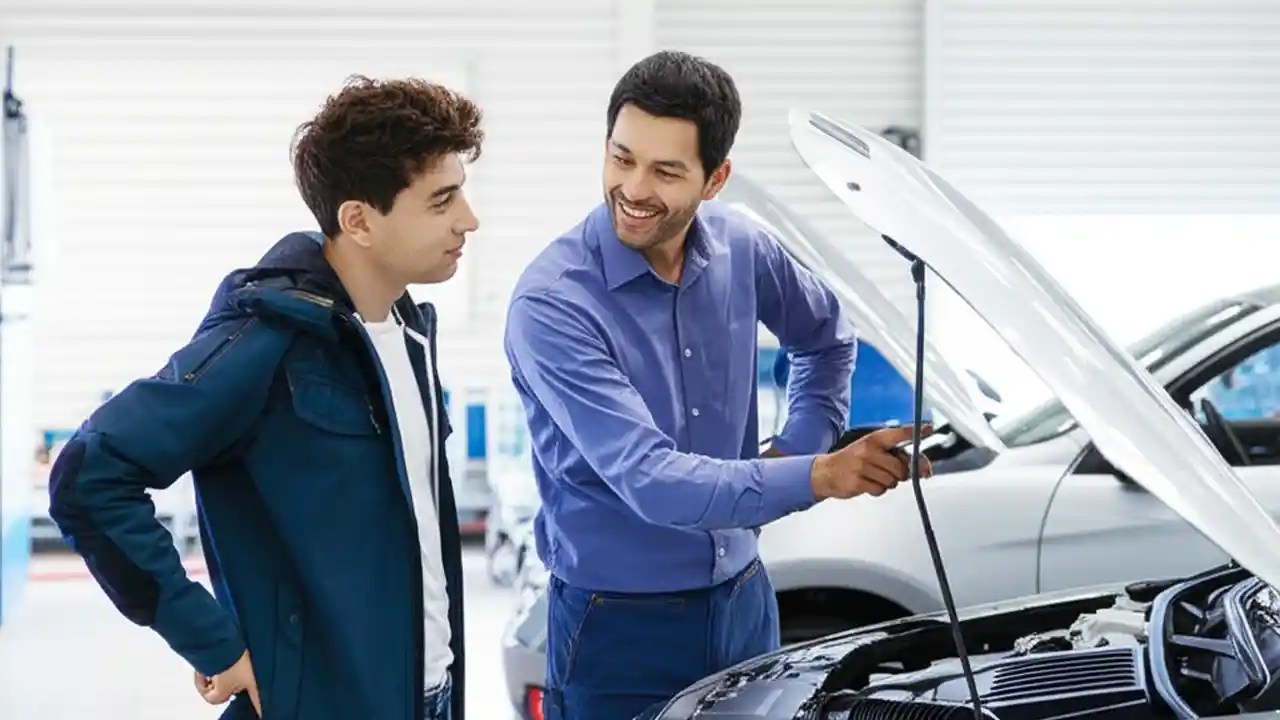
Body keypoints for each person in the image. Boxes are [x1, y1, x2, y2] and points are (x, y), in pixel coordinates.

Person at [503, 50, 931, 720]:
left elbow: (826, 339)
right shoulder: (553, 305)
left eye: (665, 170)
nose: (634, 187)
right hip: (618, 629)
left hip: (746, 599)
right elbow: (652, 479)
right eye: (621, 158)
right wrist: (816, 475)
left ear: (716, 177)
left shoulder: (743, 248)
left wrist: (797, 447)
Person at [46, 76, 481, 720]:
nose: (468, 220)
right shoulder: (264, 343)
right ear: (358, 219)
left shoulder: (411, 333)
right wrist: (212, 641)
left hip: (430, 696)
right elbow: (89, 477)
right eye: (442, 202)